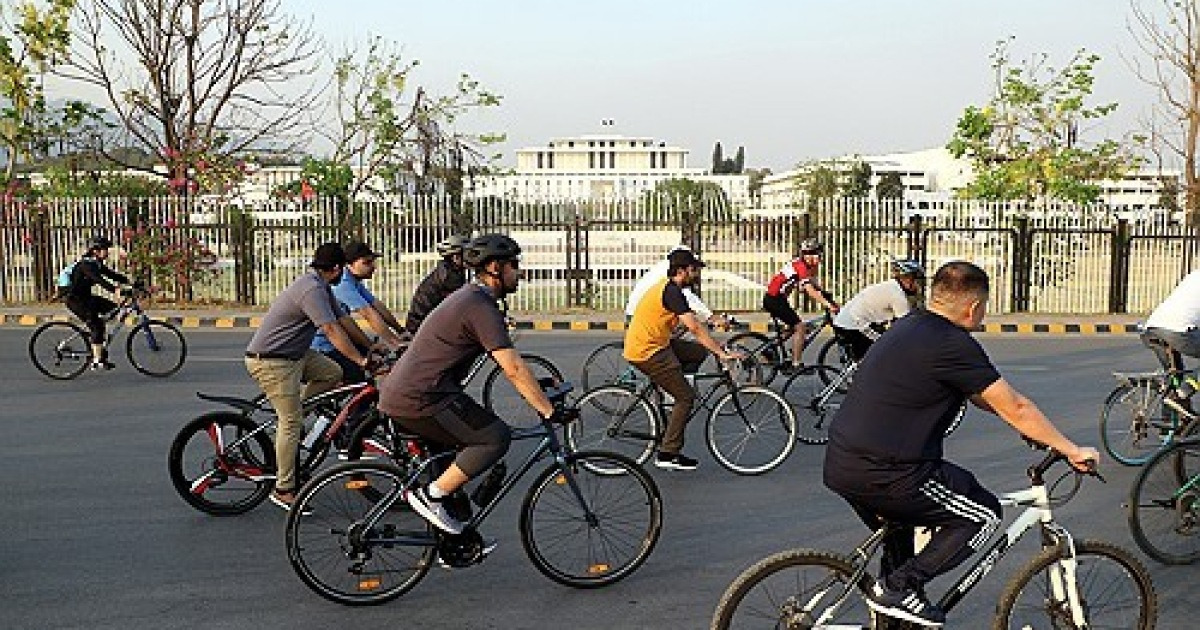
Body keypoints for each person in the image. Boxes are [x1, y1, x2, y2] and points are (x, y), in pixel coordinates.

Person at [822, 261, 1098, 627]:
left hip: (843, 463)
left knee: (903, 540)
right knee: (981, 514)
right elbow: (1017, 405)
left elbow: (985, 396)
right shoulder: (952, 343)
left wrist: (1022, 425)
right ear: (974, 307)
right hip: (889, 472)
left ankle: (893, 611)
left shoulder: (909, 326)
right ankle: (897, 589)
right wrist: (1070, 448)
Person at [379, 233, 561, 535]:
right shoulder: (478, 305)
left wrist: (537, 388)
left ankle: (450, 542)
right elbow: (512, 367)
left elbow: (506, 364)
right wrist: (548, 410)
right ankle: (431, 497)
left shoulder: (472, 298)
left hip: (415, 393)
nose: (519, 272)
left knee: (454, 468)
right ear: (494, 267)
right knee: (494, 437)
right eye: (513, 264)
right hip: (424, 397)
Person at [244, 242, 378, 511]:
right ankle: (283, 489)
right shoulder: (312, 290)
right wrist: (361, 360)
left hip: (294, 356)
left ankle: (298, 413)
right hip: (272, 361)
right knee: (291, 422)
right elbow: (330, 329)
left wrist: (373, 347)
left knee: (333, 372)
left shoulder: (322, 286)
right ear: (338, 268)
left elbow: (344, 322)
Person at [624, 248, 741, 470]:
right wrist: (721, 352)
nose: (695, 274)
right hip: (647, 351)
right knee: (686, 398)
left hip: (657, 344)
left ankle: (670, 392)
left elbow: (691, 318)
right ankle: (668, 453)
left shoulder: (672, 290)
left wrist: (714, 337)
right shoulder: (671, 291)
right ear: (681, 271)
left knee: (697, 352)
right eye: (692, 269)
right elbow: (695, 328)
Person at [310, 241, 407, 384]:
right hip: (325, 346)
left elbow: (376, 306)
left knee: (376, 360)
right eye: (366, 263)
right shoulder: (342, 284)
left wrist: (400, 331)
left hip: (343, 340)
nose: (373, 267)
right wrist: (395, 343)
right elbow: (368, 314)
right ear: (349, 265)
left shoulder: (353, 281)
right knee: (359, 376)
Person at [762, 238, 839, 373]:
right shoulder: (800, 266)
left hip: (779, 298)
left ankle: (770, 349)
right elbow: (809, 290)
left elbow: (812, 285)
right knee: (800, 327)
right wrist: (827, 304)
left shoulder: (805, 266)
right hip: (774, 299)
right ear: (809, 255)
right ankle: (795, 364)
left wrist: (826, 296)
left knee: (794, 327)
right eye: (818, 254)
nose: (820, 258)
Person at [831, 259, 925, 361]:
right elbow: (905, 326)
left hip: (848, 321)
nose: (918, 286)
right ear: (908, 279)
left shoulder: (892, 286)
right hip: (853, 326)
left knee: (884, 342)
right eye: (917, 281)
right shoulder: (898, 296)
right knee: (885, 347)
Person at [62, 235, 131, 370]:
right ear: (96, 251)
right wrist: (115, 290)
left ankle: (98, 344)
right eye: (105, 249)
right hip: (75, 301)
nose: (108, 252)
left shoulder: (97, 264)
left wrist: (131, 283)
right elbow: (99, 280)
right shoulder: (86, 265)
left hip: (87, 297)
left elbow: (112, 275)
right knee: (96, 325)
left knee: (115, 309)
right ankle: (97, 360)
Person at [625, 244, 727, 329]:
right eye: (692, 268)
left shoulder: (662, 268)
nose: (694, 273)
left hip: (637, 314)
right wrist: (711, 317)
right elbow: (686, 297)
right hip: (641, 318)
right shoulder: (668, 274)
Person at [404, 234, 471, 334]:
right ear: (456, 257)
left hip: (421, 324)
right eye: (466, 255)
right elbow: (458, 308)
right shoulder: (449, 278)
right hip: (422, 328)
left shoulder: (448, 270)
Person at [1141, 269, 1200, 379]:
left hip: (1152, 329)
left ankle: (1172, 394)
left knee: (1176, 376)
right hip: (1177, 331)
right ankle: (1186, 389)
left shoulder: (1194, 275)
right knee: (1182, 385)